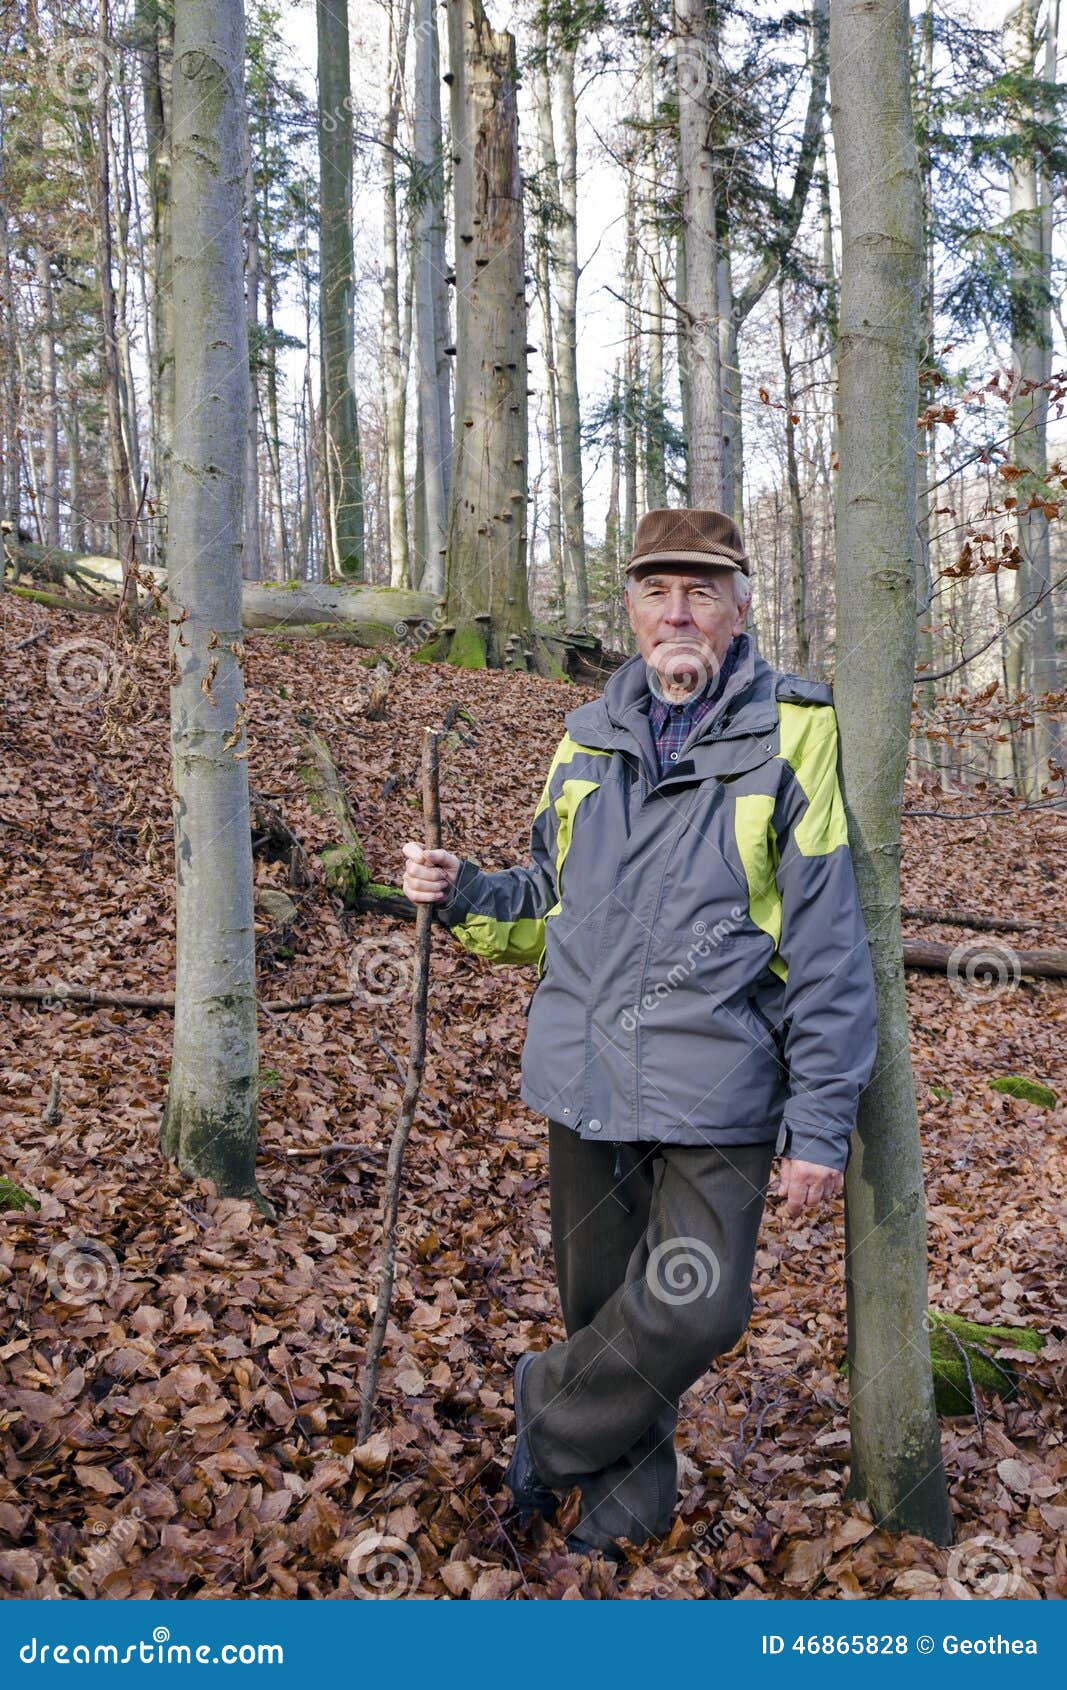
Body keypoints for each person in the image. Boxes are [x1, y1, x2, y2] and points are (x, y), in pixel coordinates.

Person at [401, 506, 878, 1561]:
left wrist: (817, 1122)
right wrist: (464, 888)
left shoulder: (794, 729)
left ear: (738, 610)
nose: (676, 612)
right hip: (583, 1076)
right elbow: (548, 896)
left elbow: (829, 947)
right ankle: (619, 1532)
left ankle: (543, 1410)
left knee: (693, 1306)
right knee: (605, 1311)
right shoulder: (582, 739)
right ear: (627, 608)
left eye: (700, 592)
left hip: (721, 1083)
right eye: (656, 591)